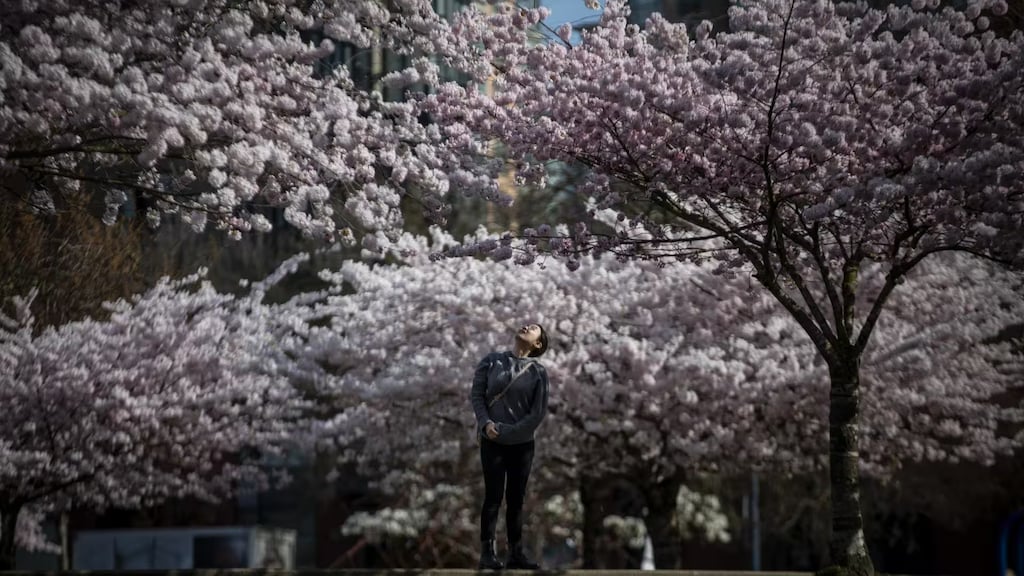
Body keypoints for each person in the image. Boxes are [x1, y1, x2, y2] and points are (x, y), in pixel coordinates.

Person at [470, 323, 550, 570]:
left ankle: (516, 552)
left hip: (522, 445)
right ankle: (487, 551)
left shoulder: (539, 373)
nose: (526, 326)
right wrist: (485, 425)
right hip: (492, 441)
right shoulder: (492, 361)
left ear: (538, 344)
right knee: (493, 496)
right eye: (527, 324)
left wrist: (507, 431)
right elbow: (477, 396)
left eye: (534, 328)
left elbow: (537, 414)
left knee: (516, 498)